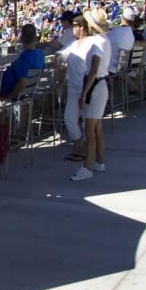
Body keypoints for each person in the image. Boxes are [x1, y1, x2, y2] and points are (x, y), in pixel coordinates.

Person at [58, 9, 109, 181]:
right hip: (97, 85)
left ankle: (87, 168)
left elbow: (93, 70)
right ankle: (99, 162)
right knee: (96, 128)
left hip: (94, 86)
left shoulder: (96, 43)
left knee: (90, 130)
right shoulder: (102, 41)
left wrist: (84, 94)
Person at [0, 24, 45, 100]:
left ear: (22, 38)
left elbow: (22, 83)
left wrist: (7, 97)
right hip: (28, 90)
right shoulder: (40, 53)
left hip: (8, 90)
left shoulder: (24, 58)